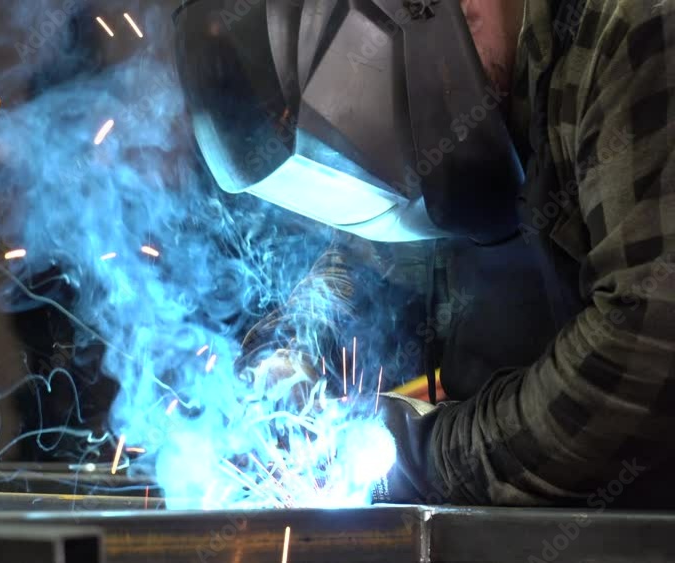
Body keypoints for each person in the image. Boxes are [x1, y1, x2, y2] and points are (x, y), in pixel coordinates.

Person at [241, 0, 675, 508]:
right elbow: (371, 255)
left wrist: (419, 457)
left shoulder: (630, 28)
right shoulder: (453, 69)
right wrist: (296, 346)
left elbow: (645, 347)